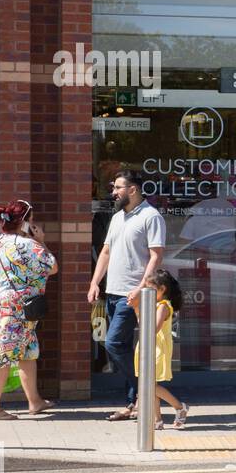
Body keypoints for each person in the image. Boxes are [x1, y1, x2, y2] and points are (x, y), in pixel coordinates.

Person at [88, 169, 167, 420]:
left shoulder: (151, 216)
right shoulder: (117, 218)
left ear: (132, 190)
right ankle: (135, 400)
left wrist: (142, 287)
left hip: (134, 294)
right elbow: (106, 252)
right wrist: (94, 282)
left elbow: (156, 255)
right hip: (113, 290)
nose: (113, 192)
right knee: (122, 347)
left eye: (118, 188)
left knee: (113, 344)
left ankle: (143, 392)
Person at [0, 200, 58, 420]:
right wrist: (41, 241)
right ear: (25, 222)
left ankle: (35, 401)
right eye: (31, 219)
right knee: (3, 358)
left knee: (27, 353)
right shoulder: (28, 245)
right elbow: (52, 266)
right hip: (17, 311)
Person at [132, 269, 189, 430]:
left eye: (151, 289)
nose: (147, 292)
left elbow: (153, 328)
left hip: (156, 347)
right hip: (148, 345)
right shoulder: (155, 304)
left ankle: (179, 407)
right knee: (150, 385)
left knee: (150, 385)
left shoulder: (163, 306)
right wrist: (136, 308)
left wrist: (138, 310)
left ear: (162, 289)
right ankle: (157, 420)